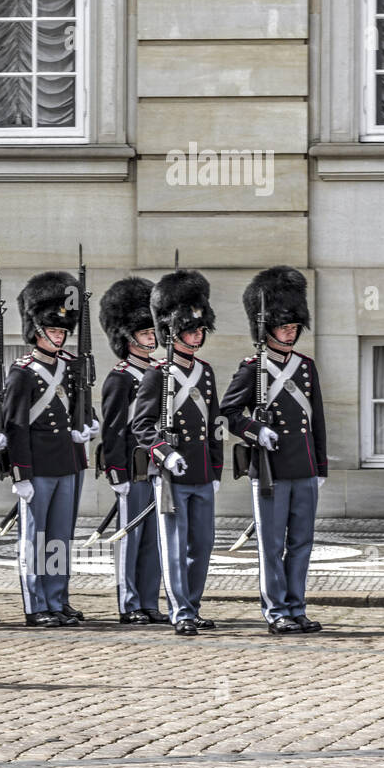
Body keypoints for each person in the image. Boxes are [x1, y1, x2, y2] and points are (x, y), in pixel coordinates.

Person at [221, 266, 327, 636]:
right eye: (284, 326)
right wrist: (256, 430)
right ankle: (276, 609)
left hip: (304, 467)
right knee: (271, 544)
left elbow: (317, 421)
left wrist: (321, 467)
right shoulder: (252, 369)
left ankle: (297, 606)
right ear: (267, 328)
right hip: (271, 469)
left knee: (301, 542)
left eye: (294, 326)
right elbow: (230, 412)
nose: (290, 331)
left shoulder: (306, 368)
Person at [131, 269, 223, 638]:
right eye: (190, 330)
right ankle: (180, 610)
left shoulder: (205, 372)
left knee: (201, 546)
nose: (197, 335)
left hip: (201, 471)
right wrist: (165, 452)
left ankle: (194, 605)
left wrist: (215, 469)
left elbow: (214, 423)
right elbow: (141, 425)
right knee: (173, 545)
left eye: (201, 330)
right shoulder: (158, 375)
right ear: (174, 332)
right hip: (172, 473)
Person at [4, 271, 92, 626]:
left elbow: (81, 408)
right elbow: (15, 425)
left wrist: (89, 424)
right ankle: (36, 602)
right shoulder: (22, 372)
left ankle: (57, 597)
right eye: (52, 332)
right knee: (34, 539)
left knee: (59, 538)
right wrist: (20, 472)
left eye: (61, 332)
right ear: (36, 332)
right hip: (37, 467)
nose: (58, 337)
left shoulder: (71, 368)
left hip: (66, 464)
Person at [97, 276, 167, 625]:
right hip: (134, 468)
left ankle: (149, 599)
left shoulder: (160, 372)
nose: (151, 337)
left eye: (152, 331)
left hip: (160, 468)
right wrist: (117, 473)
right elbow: (112, 430)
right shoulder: (120, 378)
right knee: (132, 538)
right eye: (144, 333)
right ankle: (129, 602)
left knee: (155, 539)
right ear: (128, 337)